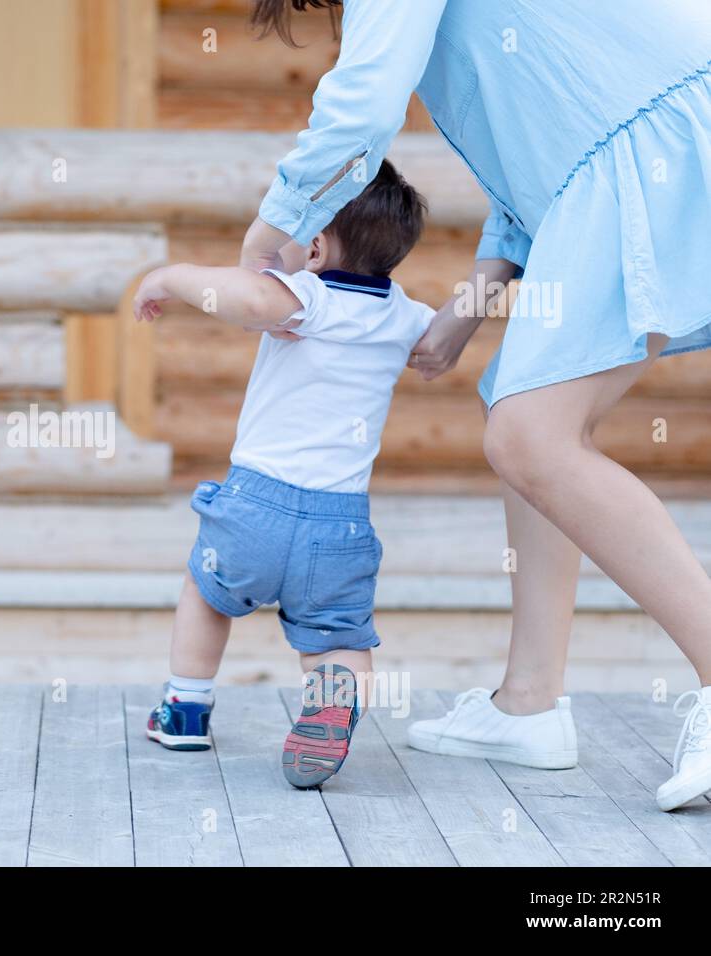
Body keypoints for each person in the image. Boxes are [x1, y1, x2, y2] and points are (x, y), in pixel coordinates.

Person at [241, 0, 711, 810]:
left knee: (532, 435)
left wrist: (271, 233)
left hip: (662, 132)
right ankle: (528, 703)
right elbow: (544, 146)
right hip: (624, 150)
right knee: (524, 414)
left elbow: (366, 101)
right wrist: (474, 300)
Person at [132, 161, 432, 788]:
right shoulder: (402, 314)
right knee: (335, 636)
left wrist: (168, 276)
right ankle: (330, 700)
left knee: (207, 592)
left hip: (255, 509)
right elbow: (436, 347)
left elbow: (247, 298)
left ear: (315, 248)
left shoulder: (306, 296)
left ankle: (185, 709)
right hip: (340, 527)